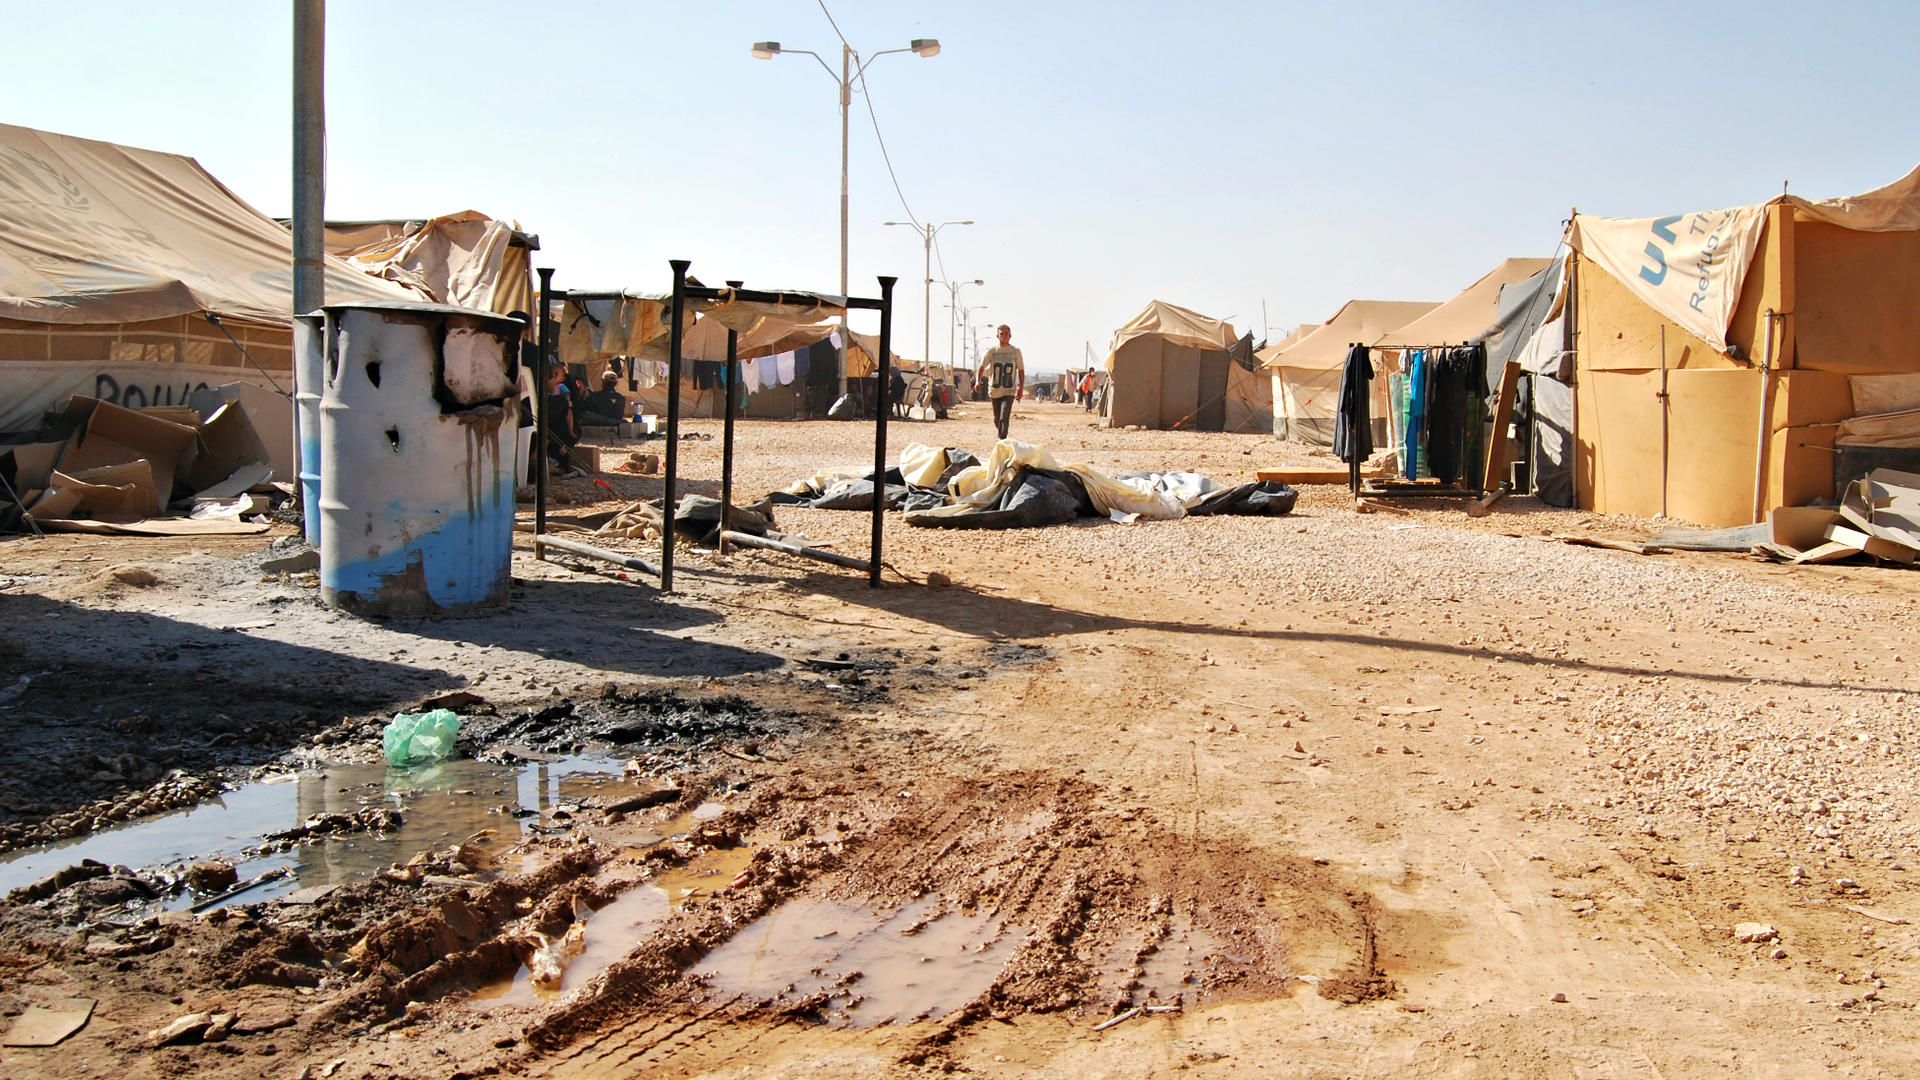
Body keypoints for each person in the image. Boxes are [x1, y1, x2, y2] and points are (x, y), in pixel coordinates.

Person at [977, 324, 1025, 441]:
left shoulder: (1015, 352)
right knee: (997, 418)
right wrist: (977, 382)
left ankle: (1002, 439)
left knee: (1004, 415)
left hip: (1009, 390)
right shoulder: (992, 351)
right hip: (995, 390)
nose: (1004, 336)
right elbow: (982, 366)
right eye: (1001, 334)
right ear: (997, 336)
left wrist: (1021, 387)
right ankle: (1002, 434)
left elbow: (1021, 370)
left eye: (1006, 334)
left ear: (1010, 336)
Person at [544, 363, 585, 477]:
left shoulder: (562, 390)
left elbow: (567, 408)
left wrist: (571, 429)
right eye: (553, 374)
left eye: (557, 374)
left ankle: (562, 465)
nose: (555, 376)